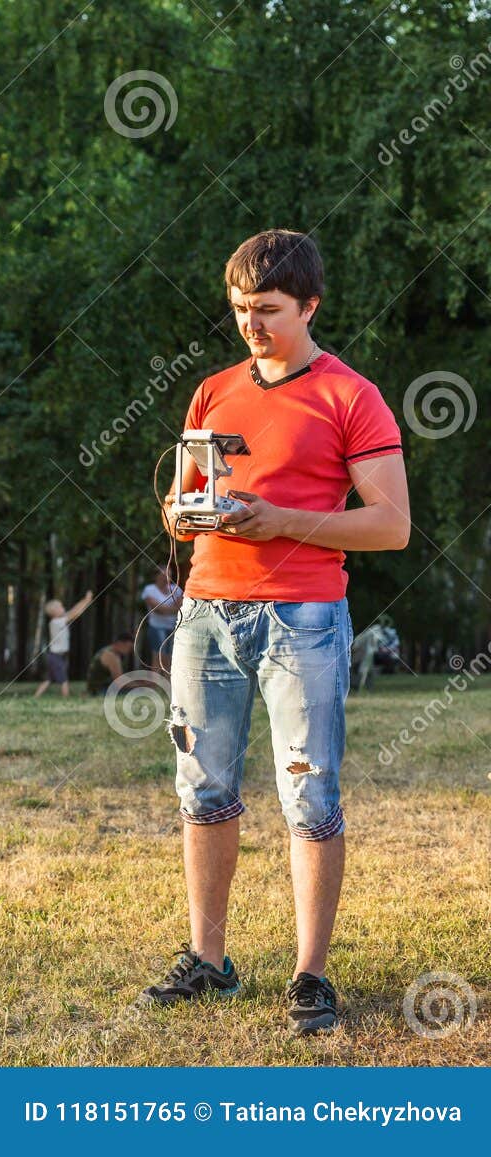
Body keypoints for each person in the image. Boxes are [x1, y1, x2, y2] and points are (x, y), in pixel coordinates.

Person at [138, 229, 409, 1036]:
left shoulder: (350, 396)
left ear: (310, 304)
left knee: (309, 795)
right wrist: (180, 513)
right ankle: (209, 960)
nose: (251, 323)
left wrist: (278, 522)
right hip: (205, 612)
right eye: (239, 309)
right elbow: (184, 503)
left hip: (305, 619)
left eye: (268, 309)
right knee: (205, 788)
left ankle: (310, 975)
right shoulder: (213, 392)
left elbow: (391, 524)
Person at [33, 590, 93, 697]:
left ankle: (35, 697)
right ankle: (66, 698)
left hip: (55, 656)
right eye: (61, 607)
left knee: (48, 679)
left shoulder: (58, 620)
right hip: (56, 656)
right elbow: (75, 613)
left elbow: (73, 610)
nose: (63, 608)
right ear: (55, 612)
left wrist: (85, 600)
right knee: (64, 679)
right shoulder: (57, 622)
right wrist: (87, 601)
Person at [140, 566, 183, 674]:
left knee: (170, 657)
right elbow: (157, 610)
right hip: (156, 627)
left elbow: (180, 607)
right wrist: (173, 608)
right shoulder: (149, 589)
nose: (167, 578)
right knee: (158, 656)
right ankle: (156, 685)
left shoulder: (176, 589)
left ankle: (167, 686)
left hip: (173, 628)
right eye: (164, 575)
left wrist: (164, 609)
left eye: (169, 575)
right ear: (156, 576)